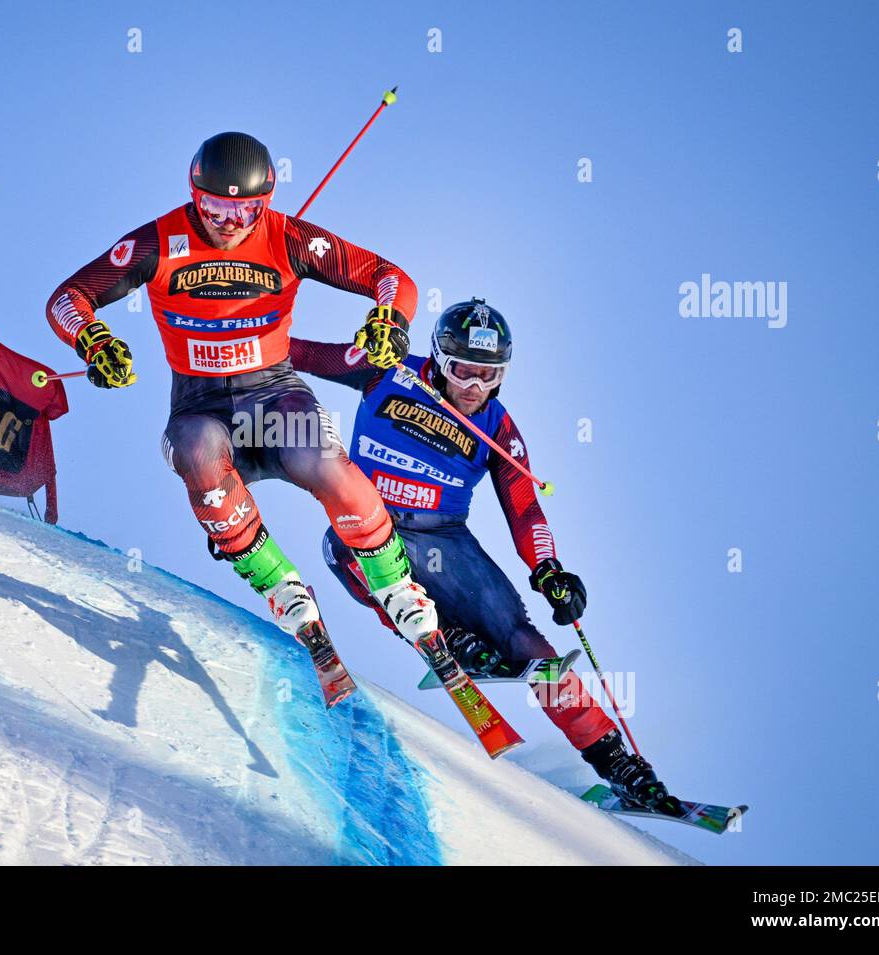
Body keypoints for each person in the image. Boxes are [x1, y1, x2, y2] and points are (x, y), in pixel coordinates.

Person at [44, 131, 445, 657]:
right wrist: (90, 339)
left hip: (274, 393)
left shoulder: (287, 237)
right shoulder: (158, 242)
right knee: (197, 455)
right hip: (200, 402)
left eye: (246, 210)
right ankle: (280, 585)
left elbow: (390, 277)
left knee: (321, 463)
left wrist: (390, 319)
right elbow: (67, 299)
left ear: (267, 203)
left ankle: (395, 585)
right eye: (214, 207)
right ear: (194, 193)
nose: (229, 224)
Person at [290, 298, 679, 811]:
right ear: (437, 359)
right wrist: (233, 331)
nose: (474, 388)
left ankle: (620, 764)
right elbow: (291, 352)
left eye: (488, 376)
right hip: (369, 521)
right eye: (463, 372)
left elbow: (524, 508)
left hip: (445, 541)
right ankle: (445, 636)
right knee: (343, 544)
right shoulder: (386, 370)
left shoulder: (498, 427)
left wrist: (548, 569)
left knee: (526, 643)